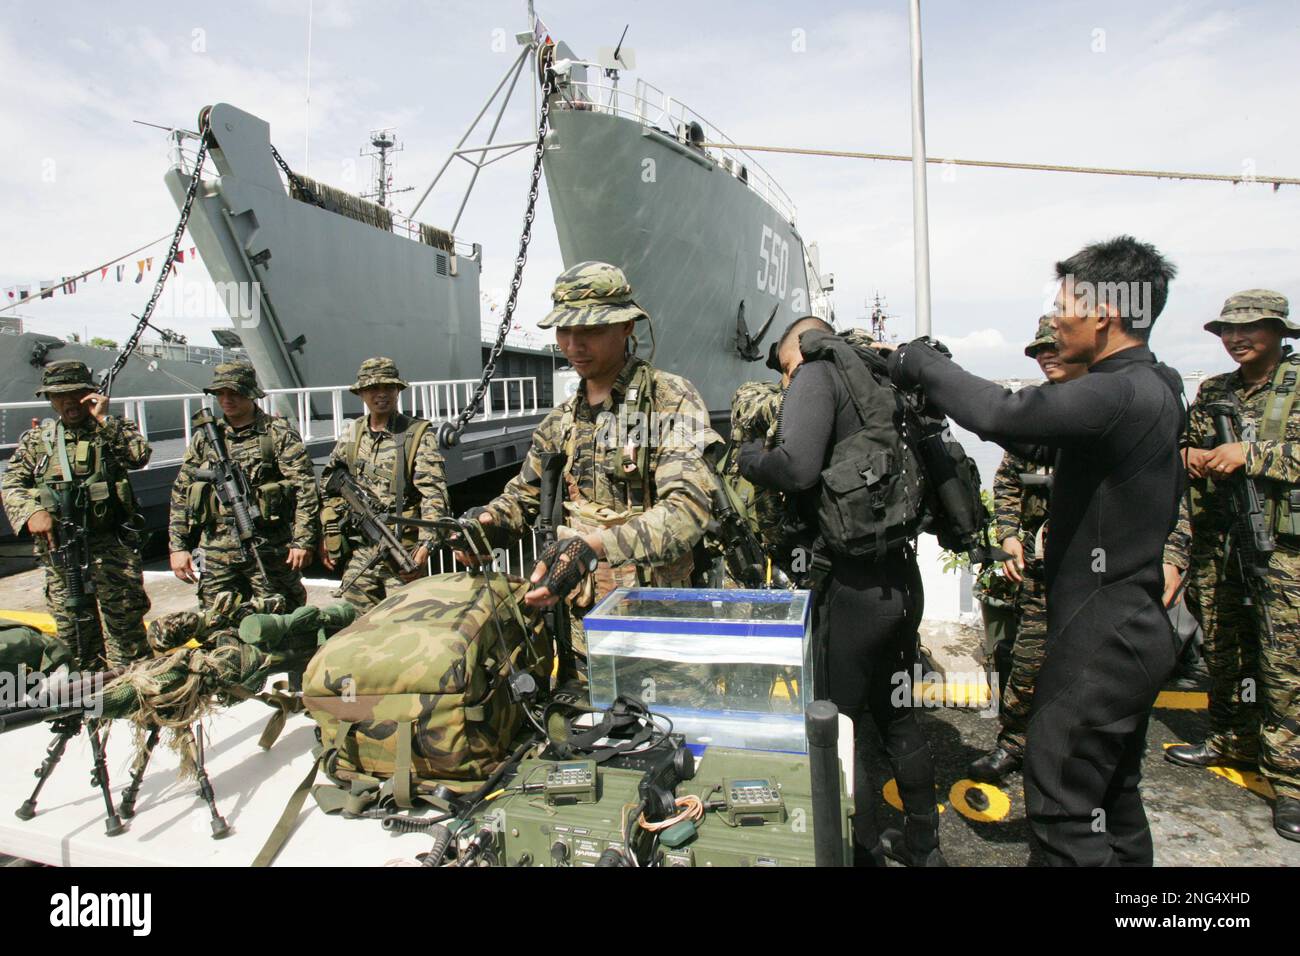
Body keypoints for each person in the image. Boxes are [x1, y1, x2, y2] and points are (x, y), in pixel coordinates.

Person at [888, 235, 1183, 866]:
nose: (1053, 318)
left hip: (1100, 640)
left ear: (1104, 312)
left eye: (1063, 304)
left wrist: (921, 364)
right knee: (1113, 798)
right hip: (1130, 633)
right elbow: (1052, 445)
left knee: (1061, 811)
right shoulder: (1155, 384)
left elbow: (1005, 412)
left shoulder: (1119, 392)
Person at [739, 315, 942, 867]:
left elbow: (796, 469)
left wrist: (748, 457)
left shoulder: (817, 371)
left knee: (839, 727)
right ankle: (926, 849)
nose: (786, 384)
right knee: (898, 714)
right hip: (902, 576)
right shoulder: (878, 377)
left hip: (853, 589)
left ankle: (863, 851)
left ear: (795, 351)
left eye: (784, 370)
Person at [460, 261, 720, 683]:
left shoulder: (670, 400)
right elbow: (522, 496)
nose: (574, 345)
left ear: (626, 328)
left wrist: (592, 546)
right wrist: (483, 524)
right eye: (564, 331)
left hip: (663, 636)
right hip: (581, 636)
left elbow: (688, 510)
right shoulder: (561, 421)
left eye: (591, 331)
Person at [970, 316, 1190, 783]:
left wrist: (1174, 556)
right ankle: (1014, 744)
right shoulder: (1044, 414)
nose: (1045, 357)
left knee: (1099, 675)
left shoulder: (1121, 404)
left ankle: (1091, 763)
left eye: (1053, 348)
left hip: (1108, 578)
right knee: (1029, 662)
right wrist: (1009, 535)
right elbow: (1008, 480)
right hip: (1045, 569)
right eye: (1037, 353)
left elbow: (1172, 493)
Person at [1166, 289, 1300, 843]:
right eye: (1227, 331)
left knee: (1284, 662)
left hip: (1286, 554)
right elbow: (1180, 452)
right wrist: (1190, 457)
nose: (1236, 339)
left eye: (1250, 329)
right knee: (1225, 646)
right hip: (1221, 545)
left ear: (1279, 333)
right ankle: (1229, 739)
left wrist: (1254, 455)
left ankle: (1290, 781)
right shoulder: (1214, 390)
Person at [1, 361, 153, 668]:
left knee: (126, 633)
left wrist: (103, 421)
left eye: (75, 393)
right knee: (75, 637)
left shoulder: (112, 430)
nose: (68, 401)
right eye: (59, 395)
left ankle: (137, 701)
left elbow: (139, 456)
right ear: (50, 400)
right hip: (62, 553)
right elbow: (11, 481)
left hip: (112, 550)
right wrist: (32, 511)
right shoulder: (38, 441)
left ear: (90, 394)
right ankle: (89, 708)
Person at [168, 363, 319, 611]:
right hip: (216, 548)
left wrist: (303, 542)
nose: (227, 400)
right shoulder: (205, 436)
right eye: (221, 394)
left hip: (267, 546)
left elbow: (305, 490)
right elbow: (181, 493)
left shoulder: (277, 433)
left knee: (280, 617)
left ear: (250, 393)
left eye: (234, 393)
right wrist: (178, 547)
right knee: (216, 619)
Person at [318, 357, 449, 611]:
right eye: (372, 389)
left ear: (397, 390)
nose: (381, 394)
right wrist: (332, 526)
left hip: (402, 552)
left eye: (388, 387)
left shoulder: (416, 434)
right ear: (362, 393)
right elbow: (329, 480)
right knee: (350, 624)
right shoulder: (353, 432)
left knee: (406, 626)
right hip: (362, 552)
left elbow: (434, 496)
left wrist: (425, 546)